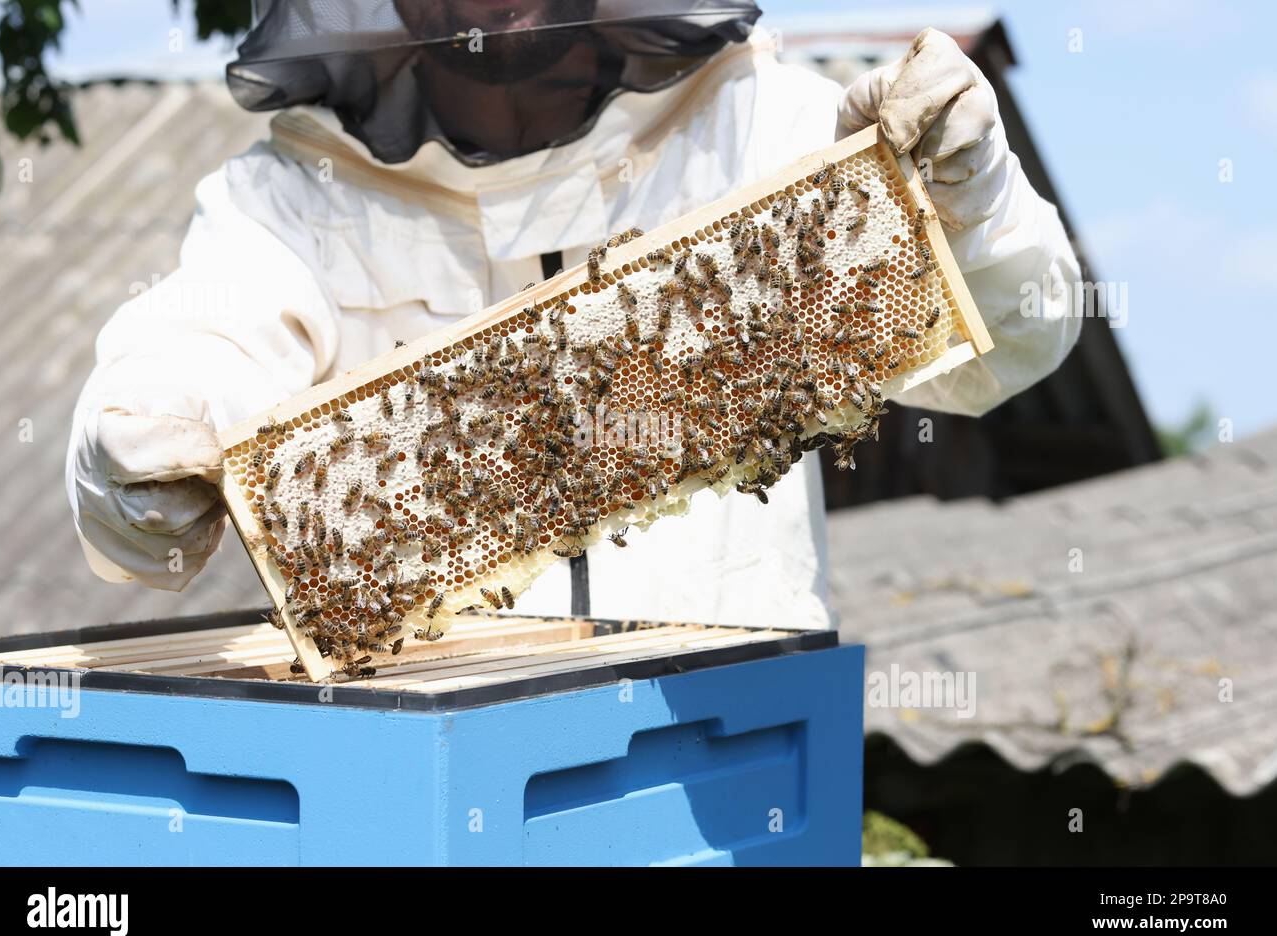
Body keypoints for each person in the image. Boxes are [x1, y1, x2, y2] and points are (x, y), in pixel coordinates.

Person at [66, 1, 1080, 630]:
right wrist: (142, 428)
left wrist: (968, 199)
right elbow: (197, 344)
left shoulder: (762, 126)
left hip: (728, 778)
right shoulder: (290, 203)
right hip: (447, 782)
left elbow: (1022, 334)